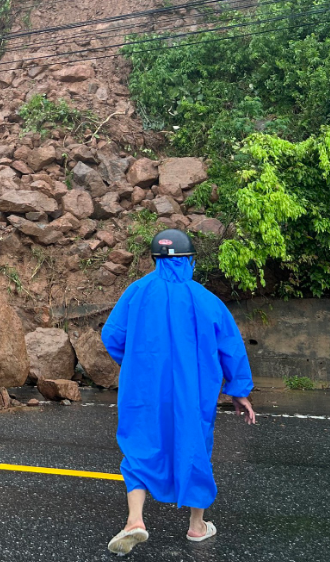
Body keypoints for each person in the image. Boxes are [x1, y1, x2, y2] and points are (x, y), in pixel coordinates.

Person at [101, 229, 256, 556]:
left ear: (155, 259)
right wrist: (238, 390)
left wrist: (134, 364)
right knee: (194, 446)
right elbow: (231, 347)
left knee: (141, 445)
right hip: (193, 391)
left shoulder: (137, 292)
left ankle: (135, 521)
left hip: (144, 389)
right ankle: (197, 527)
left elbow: (112, 336)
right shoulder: (205, 300)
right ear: (189, 260)